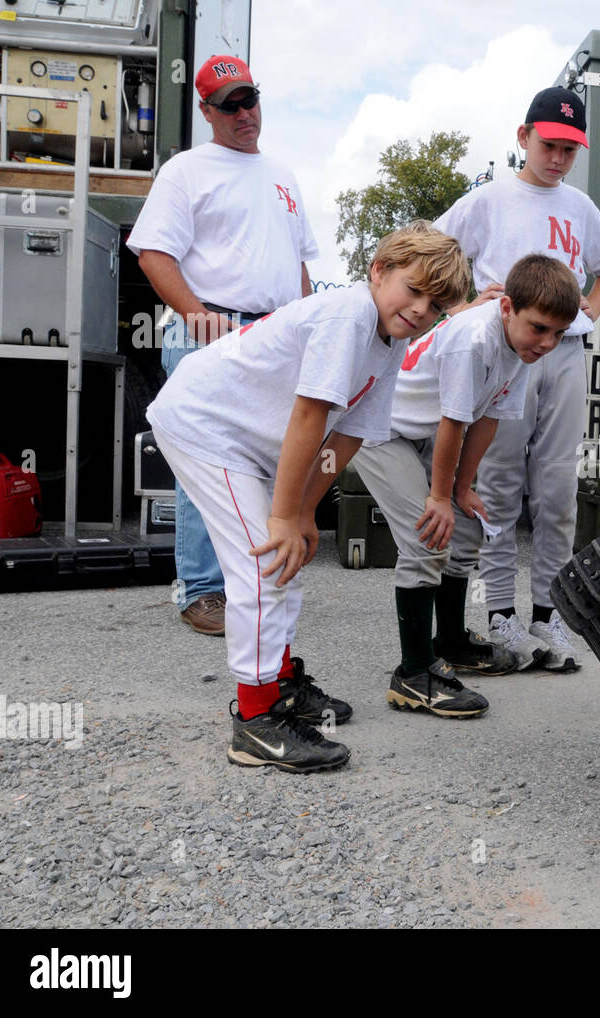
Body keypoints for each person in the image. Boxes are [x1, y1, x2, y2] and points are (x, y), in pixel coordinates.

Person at [146, 223, 470, 773]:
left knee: (288, 558)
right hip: (204, 425)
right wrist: (282, 517)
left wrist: (301, 514)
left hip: (247, 440)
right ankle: (256, 721)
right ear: (378, 271)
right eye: (413, 289)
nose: (421, 309)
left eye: (436, 304)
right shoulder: (349, 315)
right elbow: (308, 416)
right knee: (266, 564)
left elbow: (348, 437)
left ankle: (279, 684)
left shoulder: (392, 342)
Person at [434, 86, 600, 672]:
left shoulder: (580, 206)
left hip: (564, 353)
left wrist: (589, 310)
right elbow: (434, 251)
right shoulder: (490, 197)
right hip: (506, 349)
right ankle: (500, 613)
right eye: (549, 145)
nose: (559, 159)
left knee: (558, 488)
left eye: (570, 149)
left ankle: (548, 614)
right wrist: (460, 307)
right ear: (524, 137)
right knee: (498, 482)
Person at [128, 54, 317, 638]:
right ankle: (201, 589)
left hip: (274, 332)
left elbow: (299, 266)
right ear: (206, 111)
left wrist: (308, 326)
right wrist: (198, 318)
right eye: (228, 105)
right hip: (210, 327)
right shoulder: (185, 170)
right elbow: (153, 253)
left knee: (267, 458)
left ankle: (249, 582)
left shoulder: (283, 175)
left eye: (249, 99)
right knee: (206, 461)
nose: (243, 113)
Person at [352, 255, 581, 718]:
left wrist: (460, 491)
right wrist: (440, 497)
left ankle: (451, 642)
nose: (548, 343)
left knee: (468, 525)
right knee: (427, 536)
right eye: (540, 328)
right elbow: (453, 422)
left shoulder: (521, 348)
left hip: (426, 434)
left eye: (559, 334)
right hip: (383, 430)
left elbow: (488, 418)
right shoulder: (475, 339)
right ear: (507, 307)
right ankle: (414, 675)